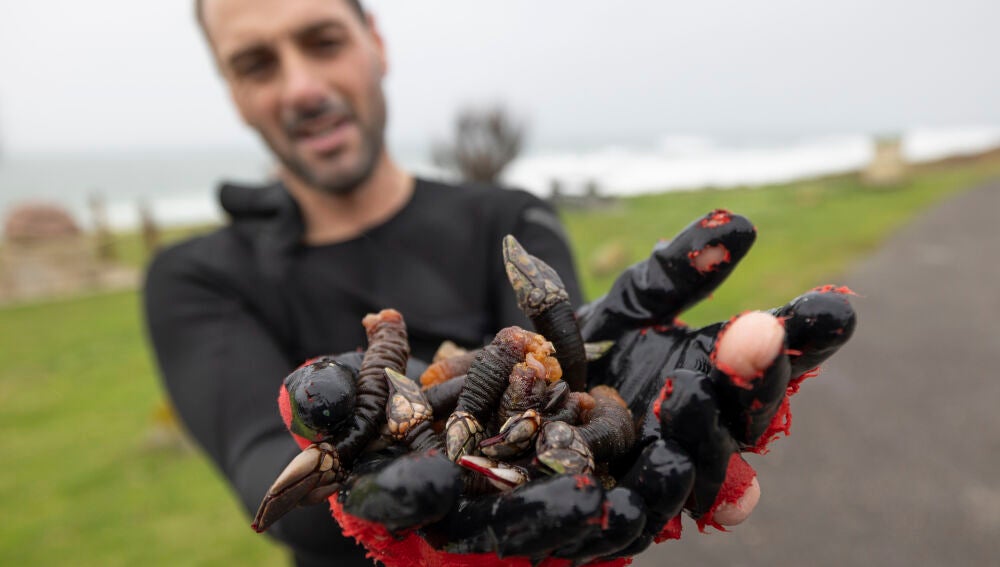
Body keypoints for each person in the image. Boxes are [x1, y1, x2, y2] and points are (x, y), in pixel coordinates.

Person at [144, 1, 582, 566]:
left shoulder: (510, 225)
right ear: (233, 93)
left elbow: (560, 393)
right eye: (256, 64)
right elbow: (264, 470)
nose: (301, 88)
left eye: (323, 41)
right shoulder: (199, 276)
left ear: (376, 43)